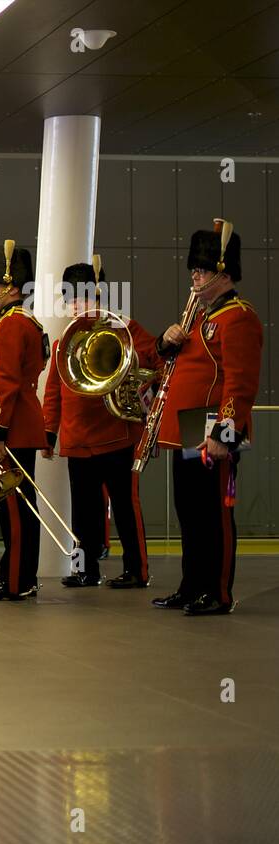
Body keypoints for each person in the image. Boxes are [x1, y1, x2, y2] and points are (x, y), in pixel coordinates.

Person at [150, 219, 262, 616]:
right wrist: (166, 342)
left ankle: (217, 592)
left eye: (201, 270)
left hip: (215, 426)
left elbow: (241, 383)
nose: (194, 277)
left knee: (216, 514)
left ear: (223, 273)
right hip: (190, 425)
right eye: (194, 270)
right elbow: (178, 364)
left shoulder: (239, 317)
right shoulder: (199, 315)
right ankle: (191, 585)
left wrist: (224, 433)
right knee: (190, 513)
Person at [42, 257, 158, 589]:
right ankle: (86, 568)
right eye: (72, 299)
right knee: (83, 511)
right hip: (78, 438)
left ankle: (137, 570)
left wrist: (143, 388)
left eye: (83, 297)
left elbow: (155, 356)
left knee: (125, 506)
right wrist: (49, 433)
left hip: (116, 434)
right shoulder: (64, 340)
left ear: (98, 297)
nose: (78, 305)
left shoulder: (125, 328)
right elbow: (54, 391)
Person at [0, 241, 47, 601]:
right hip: (21, 425)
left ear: (13, 286)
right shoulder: (24, 321)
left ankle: (14, 581)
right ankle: (20, 577)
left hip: (12, 429)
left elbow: (8, 384)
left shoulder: (11, 325)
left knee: (13, 510)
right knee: (16, 506)